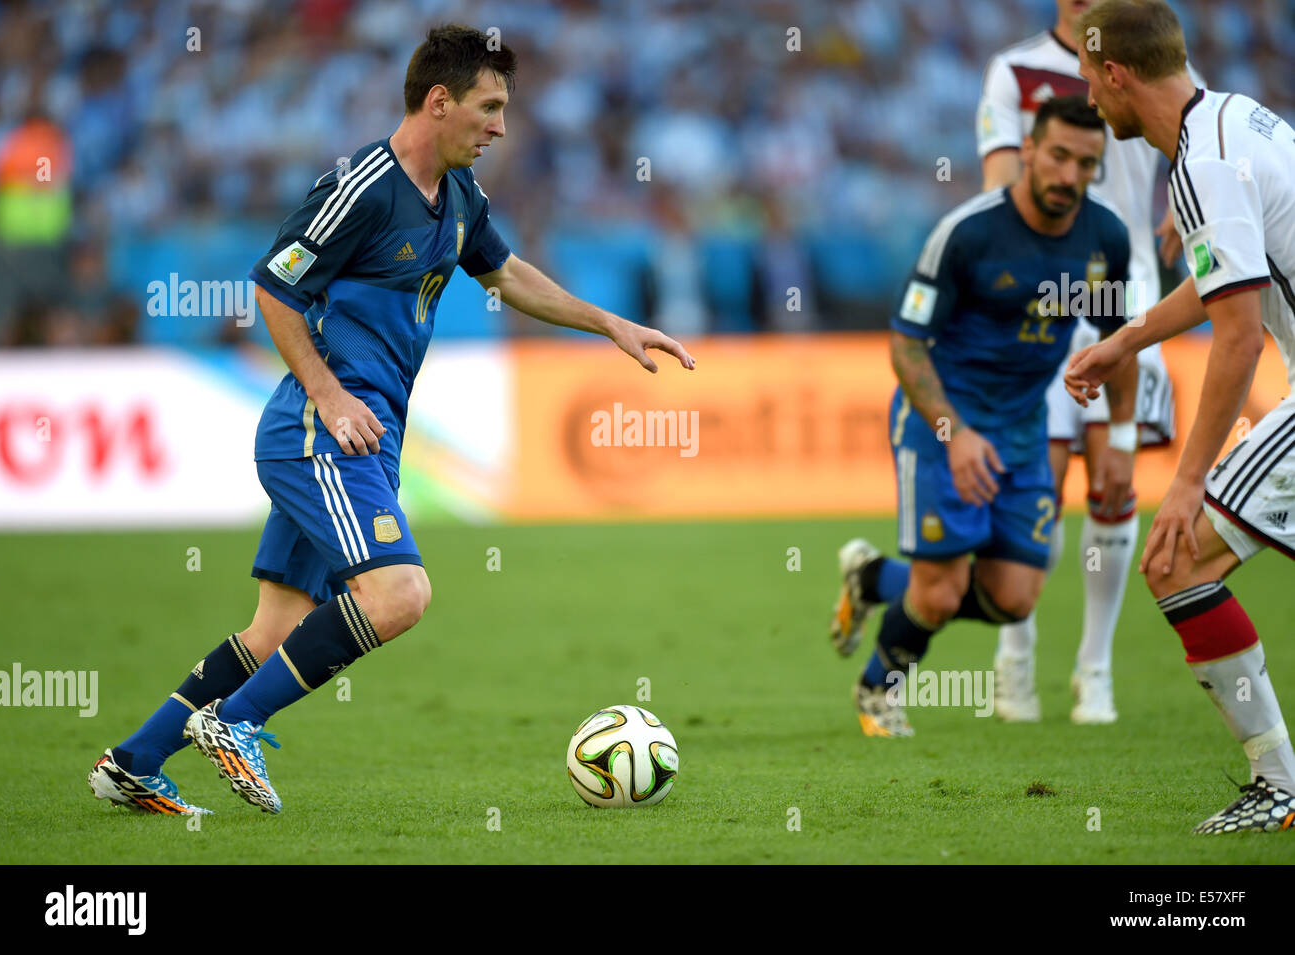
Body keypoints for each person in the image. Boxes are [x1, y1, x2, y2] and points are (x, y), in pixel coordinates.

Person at [88, 24, 694, 815]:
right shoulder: (364, 187)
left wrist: (607, 321)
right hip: (320, 427)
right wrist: (332, 397)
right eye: (490, 106)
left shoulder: (460, 195)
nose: (501, 127)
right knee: (400, 591)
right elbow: (273, 289)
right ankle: (232, 723)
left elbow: (505, 273)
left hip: (360, 433)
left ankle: (134, 761)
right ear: (439, 101)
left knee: (275, 630)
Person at [830, 95, 1138, 736]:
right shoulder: (968, 233)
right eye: (1057, 156)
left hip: (1022, 429)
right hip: (940, 421)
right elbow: (906, 344)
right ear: (1027, 150)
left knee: (1013, 597)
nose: (1069, 176)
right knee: (939, 592)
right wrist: (956, 433)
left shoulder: (1104, 239)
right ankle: (876, 691)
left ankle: (870, 578)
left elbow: (1120, 342)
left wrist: (1121, 437)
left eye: (1087, 164)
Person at [1065, 0, 1295, 833]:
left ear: (1119, 74)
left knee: (1174, 558)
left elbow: (1237, 337)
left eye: (1090, 77)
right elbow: (1228, 280)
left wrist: (1189, 480)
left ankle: (1279, 786)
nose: (1088, 95)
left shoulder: (1202, 165)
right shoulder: (1236, 119)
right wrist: (1126, 339)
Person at [972, 0, 1198, 725]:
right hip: (1039, 295)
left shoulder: (1154, 56)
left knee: (1113, 479)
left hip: (1126, 284)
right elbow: (997, 185)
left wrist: (1188, 203)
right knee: (1041, 481)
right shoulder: (1013, 70)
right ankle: (1016, 656)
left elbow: (1198, 136)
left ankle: (1093, 670)